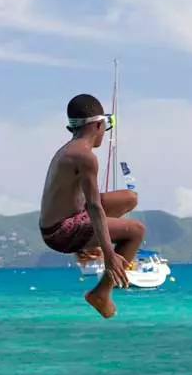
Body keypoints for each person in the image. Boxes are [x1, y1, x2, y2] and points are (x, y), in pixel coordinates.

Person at [39, 93, 146, 318]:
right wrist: (109, 253)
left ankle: (86, 245)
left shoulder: (70, 150)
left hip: (67, 218)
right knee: (136, 231)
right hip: (61, 232)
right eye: (106, 127)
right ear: (98, 125)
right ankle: (101, 293)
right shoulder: (85, 157)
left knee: (130, 198)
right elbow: (95, 206)